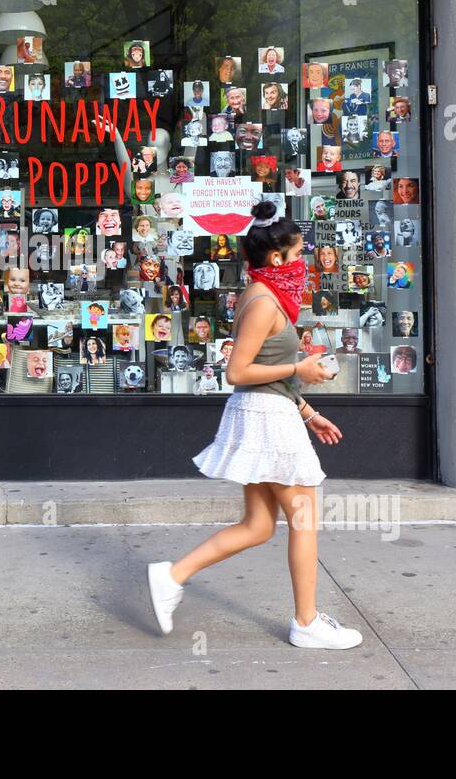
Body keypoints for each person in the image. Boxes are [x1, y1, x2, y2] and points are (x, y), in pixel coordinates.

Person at [147, 198, 360, 649]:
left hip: (273, 412)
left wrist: (309, 412)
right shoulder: (264, 302)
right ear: (277, 257)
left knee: (259, 526)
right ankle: (306, 623)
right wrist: (300, 369)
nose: (303, 262)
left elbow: (266, 368)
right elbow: (238, 372)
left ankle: (171, 576)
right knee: (303, 520)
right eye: (299, 253)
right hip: (265, 417)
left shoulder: (267, 294)